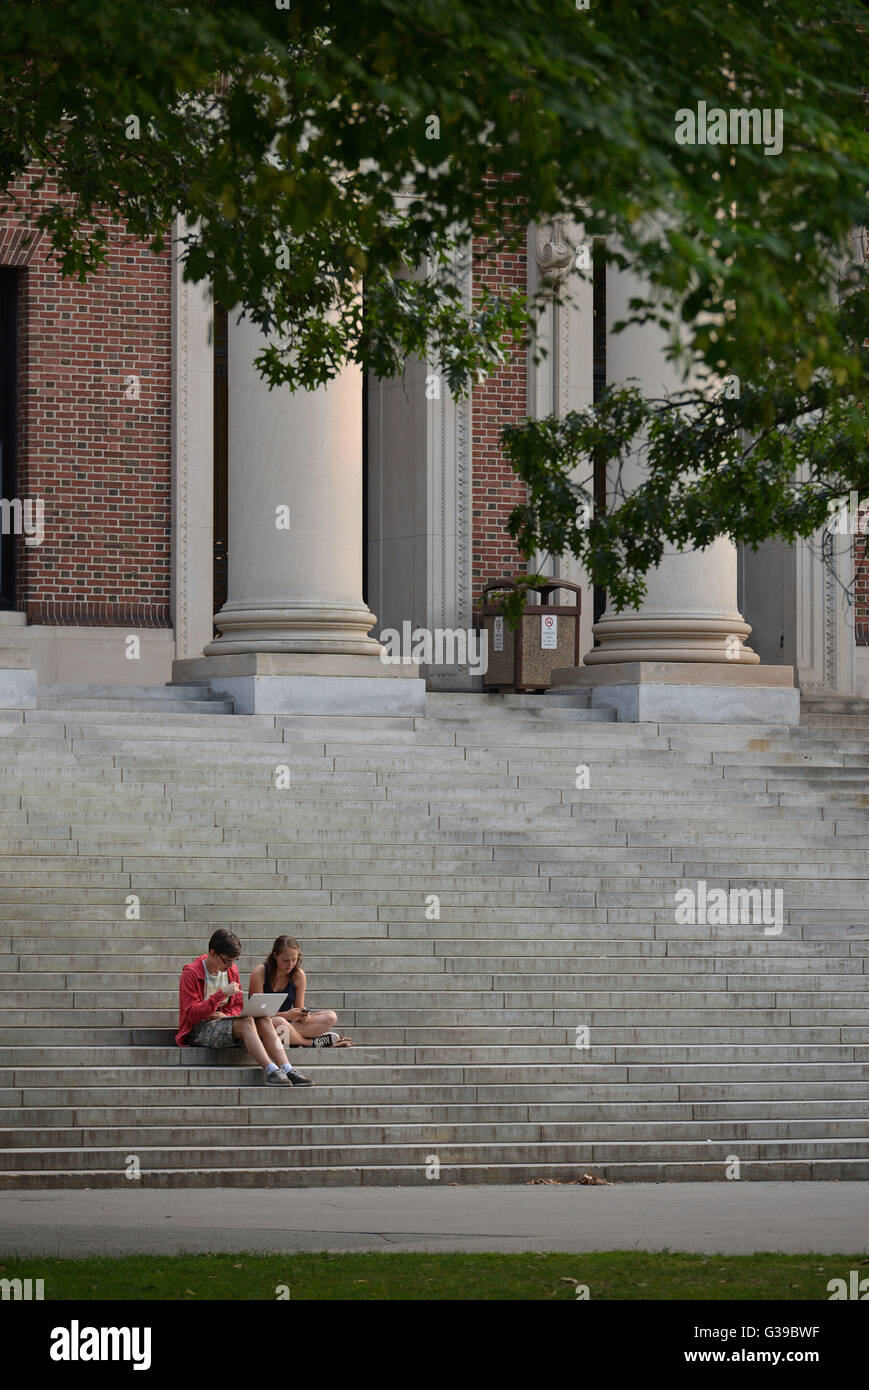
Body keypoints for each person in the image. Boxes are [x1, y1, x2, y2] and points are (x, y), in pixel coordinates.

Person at [175, 928, 313, 1086]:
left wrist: (228, 1016)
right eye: (226, 960)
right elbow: (191, 1014)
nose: (230, 965)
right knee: (248, 1021)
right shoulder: (191, 974)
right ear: (212, 953)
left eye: (234, 960)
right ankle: (271, 1070)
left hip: (224, 1023)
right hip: (198, 1028)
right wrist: (220, 995)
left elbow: (238, 1005)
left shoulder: (231, 970)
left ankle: (288, 1069)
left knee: (263, 1017)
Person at [249, 934, 354, 1048]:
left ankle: (289, 1038)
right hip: (264, 1025)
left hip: (289, 1026)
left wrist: (302, 1015)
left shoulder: (298, 975)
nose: (290, 965)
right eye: (285, 960)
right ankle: (311, 1042)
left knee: (331, 1016)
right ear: (275, 955)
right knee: (280, 1022)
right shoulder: (259, 972)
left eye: (294, 959)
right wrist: (285, 1015)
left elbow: (299, 1010)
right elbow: (257, 1014)